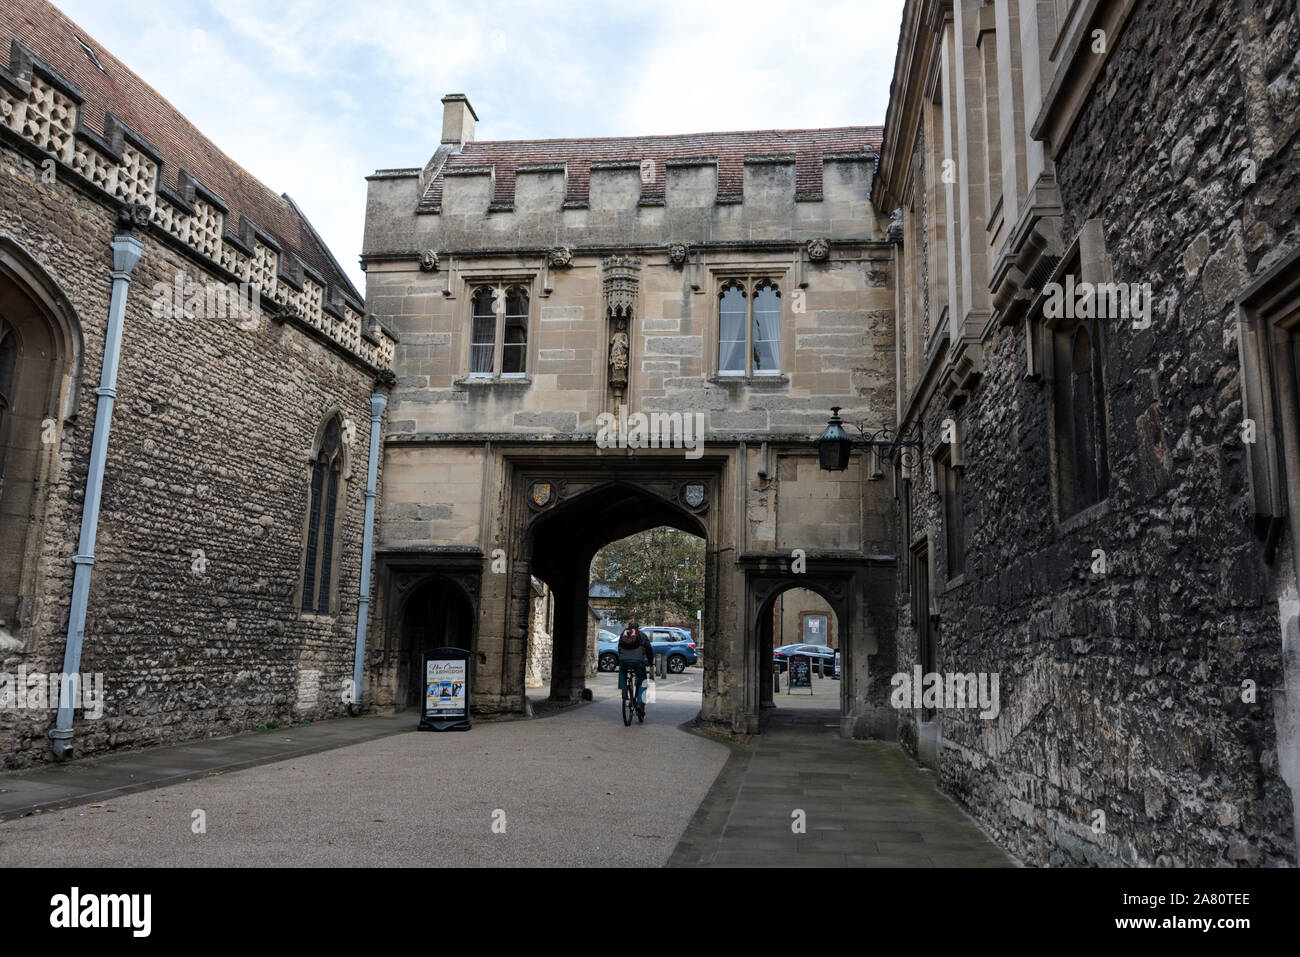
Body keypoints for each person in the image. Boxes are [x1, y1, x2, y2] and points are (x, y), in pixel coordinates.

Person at [617, 620, 654, 718]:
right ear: (638, 628)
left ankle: (624, 688)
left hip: (623, 660)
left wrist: (621, 658)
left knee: (622, 672)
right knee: (643, 681)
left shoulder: (623, 634)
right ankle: (640, 703)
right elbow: (649, 650)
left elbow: (619, 647)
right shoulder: (642, 635)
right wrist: (650, 662)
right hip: (638, 661)